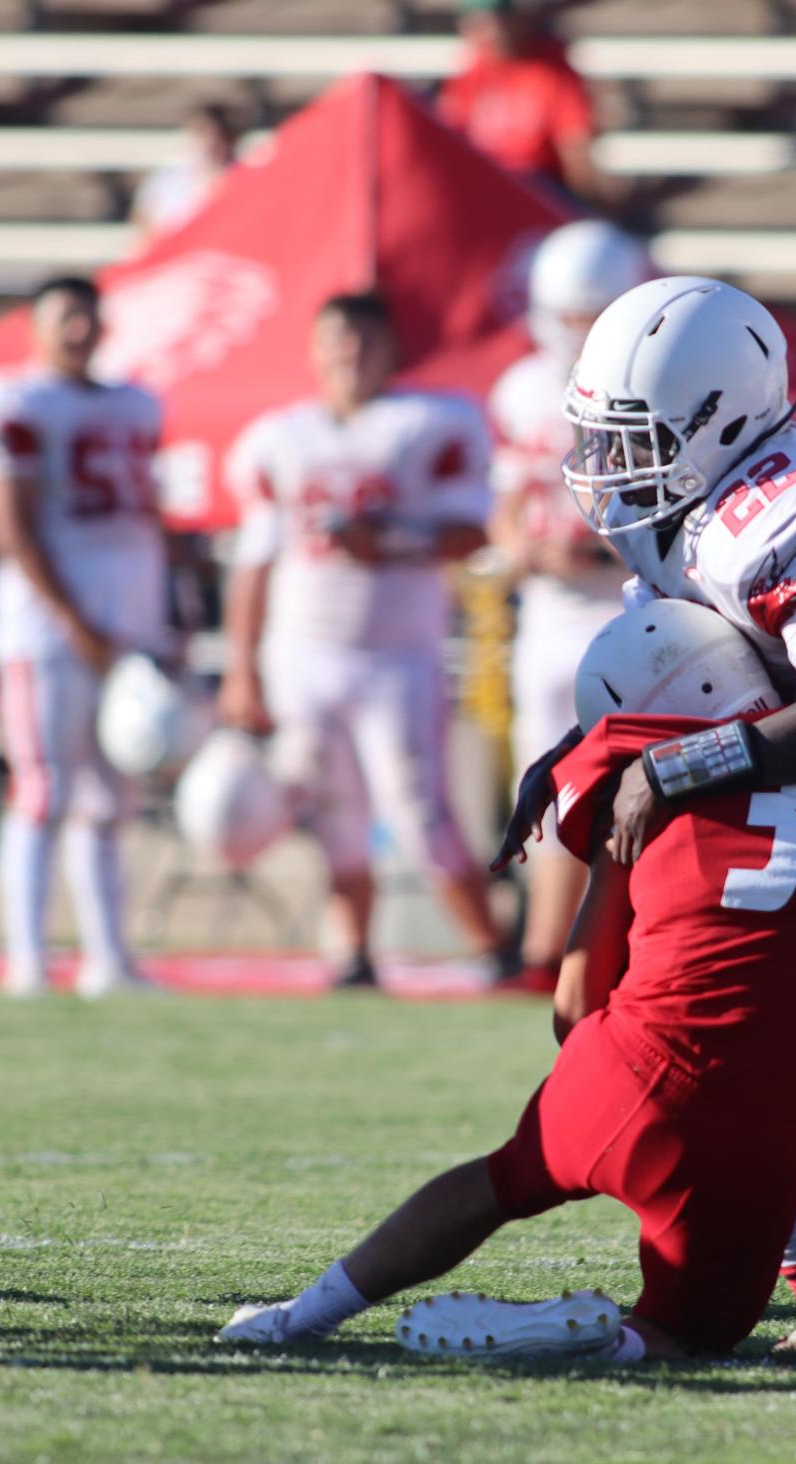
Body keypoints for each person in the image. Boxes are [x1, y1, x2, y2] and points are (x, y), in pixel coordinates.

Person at [217, 600, 796, 1362]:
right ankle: (615, 1341)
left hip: (624, 1069)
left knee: (493, 1182)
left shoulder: (647, 783)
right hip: (758, 1134)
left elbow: (574, 1005)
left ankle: (300, 1317)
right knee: (682, 1334)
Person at [492, 275, 796, 1363]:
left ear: (715, 418)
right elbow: (697, 680)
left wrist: (675, 771)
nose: (607, 468)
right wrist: (574, 760)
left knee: (690, 1021)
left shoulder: (781, 512)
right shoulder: (702, 505)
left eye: (634, 437)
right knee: (633, 1008)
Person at [220, 292, 510, 989]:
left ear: (391, 351)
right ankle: (353, 953)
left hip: (396, 654)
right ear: (315, 350)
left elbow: (475, 532)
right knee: (335, 813)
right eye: (336, 341)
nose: (348, 355)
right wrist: (241, 669)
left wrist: (390, 541)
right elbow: (254, 564)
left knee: (420, 815)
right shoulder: (281, 436)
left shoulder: (428, 422)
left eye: (363, 342)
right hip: (303, 651)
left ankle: (493, 947)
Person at [0, 276, 169, 1000]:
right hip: (45, 629)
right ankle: (28, 957)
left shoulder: (136, 405)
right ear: (38, 326)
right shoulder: (15, 401)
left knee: (111, 796)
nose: (78, 329)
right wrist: (76, 620)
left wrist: (156, 617)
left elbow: (150, 519)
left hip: (125, 623)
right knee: (43, 788)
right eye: (64, 316)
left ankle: (109, 957)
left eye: (87, 314)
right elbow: (10, 523)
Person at [488, 220, 653, 995]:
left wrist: (590, 553)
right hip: (547, 612)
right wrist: (525, 552)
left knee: (619, 784)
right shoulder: (520, 388)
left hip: (619, 605)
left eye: (594, 311)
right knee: (541, 782)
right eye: (571, 312)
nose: (580, 329)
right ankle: (544, 951)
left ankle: (608, 950)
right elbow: (505, 508)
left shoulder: (652, 378)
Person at [437, 0, 605, 203]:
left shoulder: (550, 70)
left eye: (496, 22)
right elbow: (451, 147)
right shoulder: (467, 76)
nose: (491, 34)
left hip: (541, 188)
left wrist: (587, 206)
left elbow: (576, 147)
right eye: (477, 25)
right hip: (486, 188)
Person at [132, 103, 240, 239]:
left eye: (218, 135)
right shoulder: (167, 179)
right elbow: (144, 228)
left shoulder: (245, 180)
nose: (210, 142)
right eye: (202, 133)